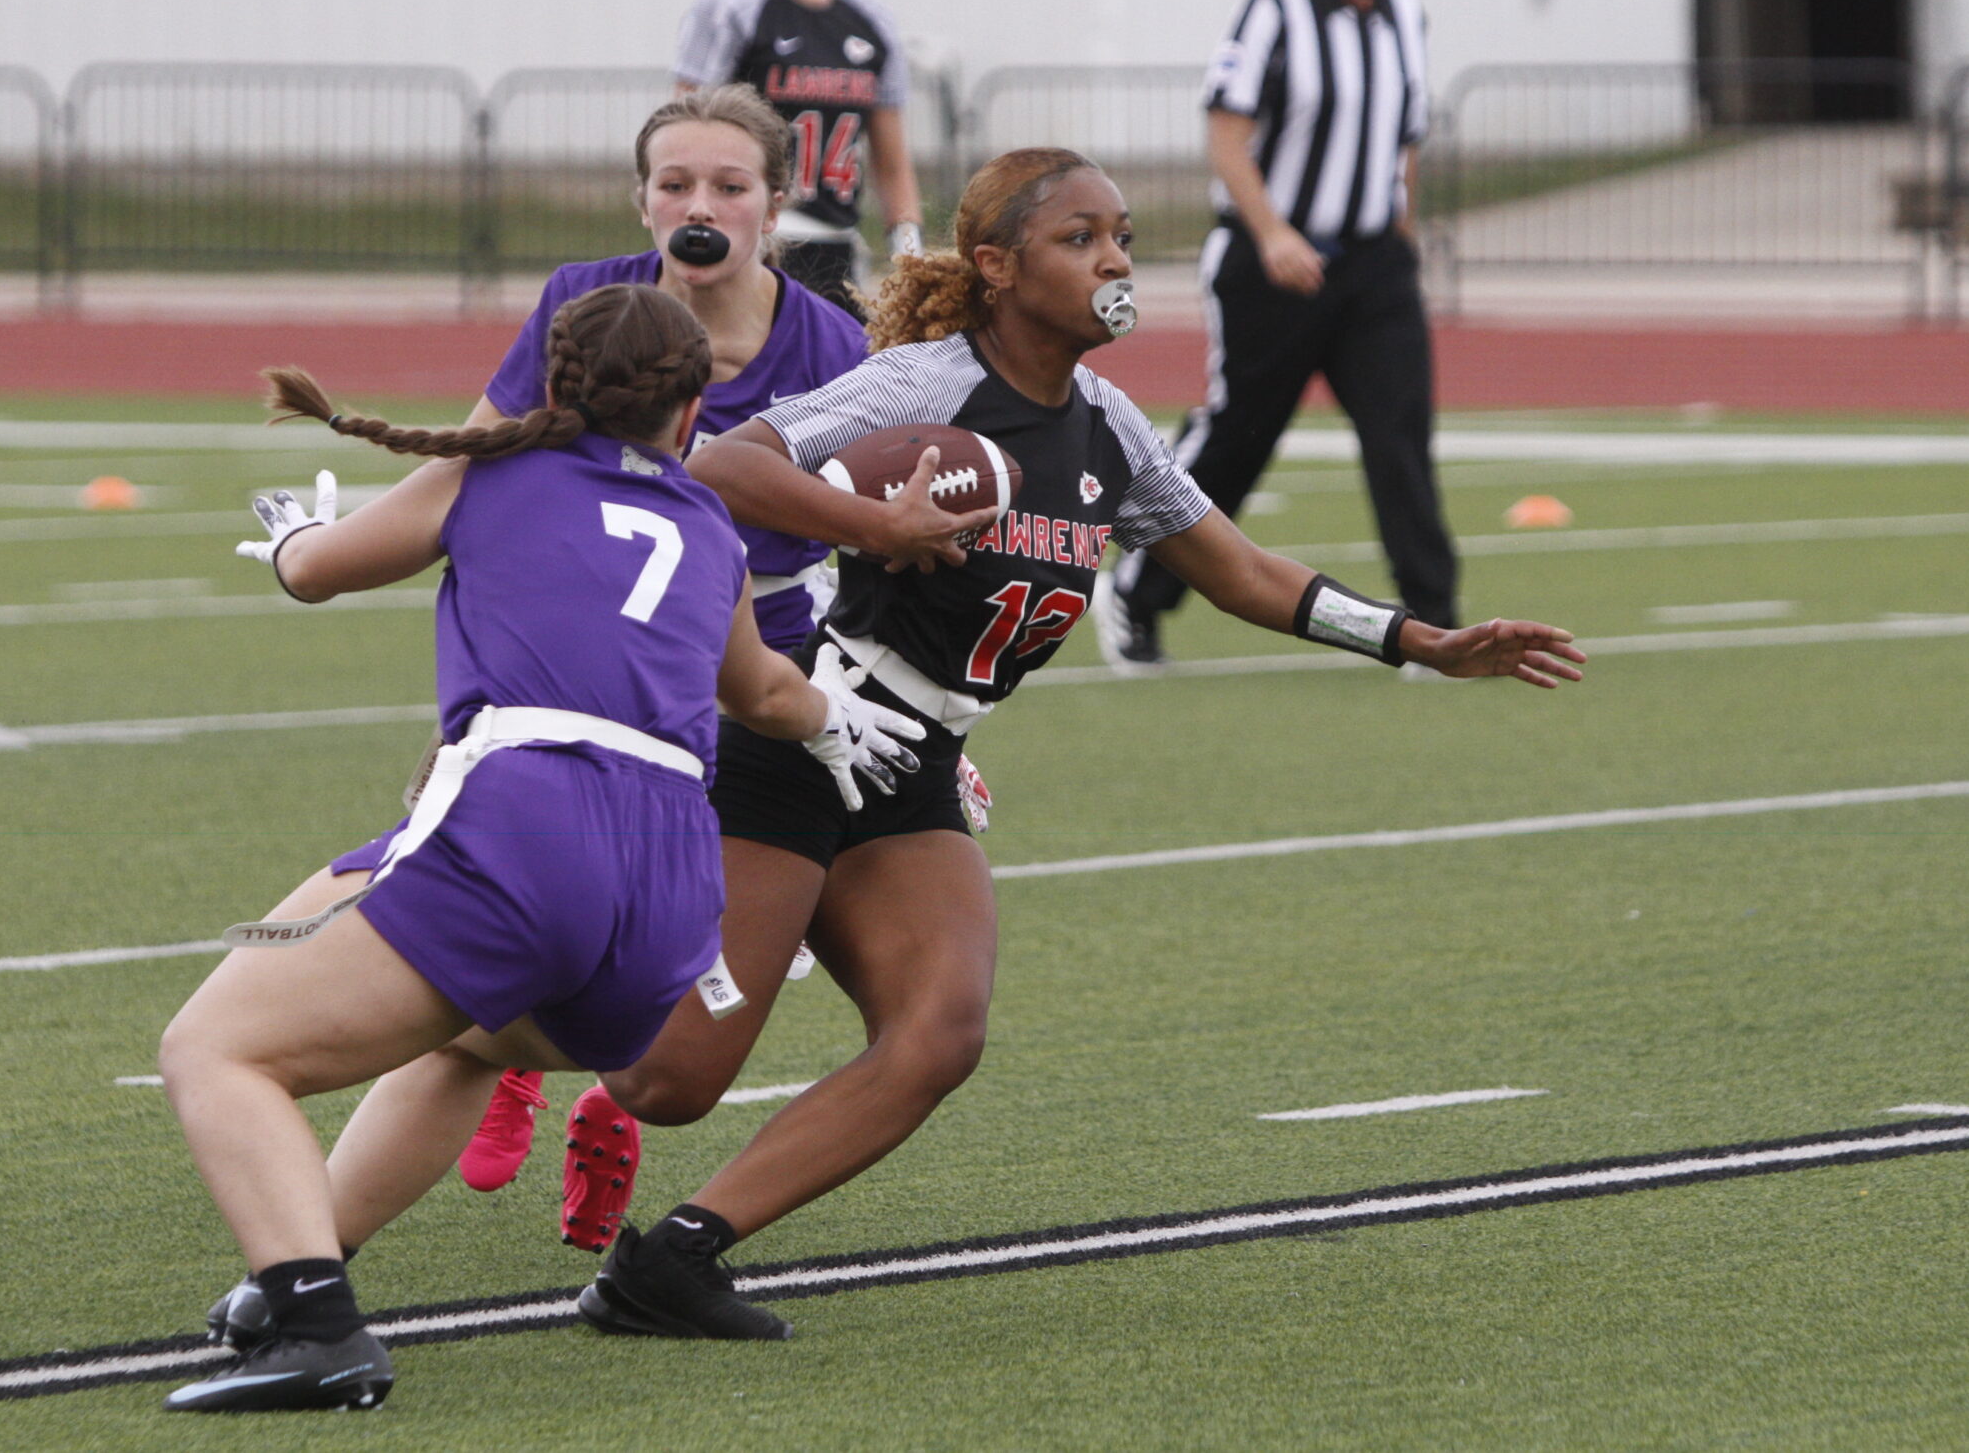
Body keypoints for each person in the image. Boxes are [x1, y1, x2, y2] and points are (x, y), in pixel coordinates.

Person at [555, 147, 1584, 1340]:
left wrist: (1418, 641)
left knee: (939, 1034)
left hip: (918, 767)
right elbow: (726, 463)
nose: (1112, 261)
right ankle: (490, 1015)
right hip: (805, 737)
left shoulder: (1106, 424)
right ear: (995, 267)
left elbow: (1242, 572)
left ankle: (672, 1262)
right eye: (1079, 239)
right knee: (666, 1084)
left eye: (1122, 237)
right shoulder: (920, 384)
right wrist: (870, 520)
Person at [155, 284, 923, 1410]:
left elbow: (317, 573)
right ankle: (292, 1283)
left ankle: (317, 1326)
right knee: (463, 1039)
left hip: (527, 828)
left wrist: (294, 535)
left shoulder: (489, 471)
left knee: (213, 1048)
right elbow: (763, 691)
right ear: (693, 406)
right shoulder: (707, 522)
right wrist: (838, 719)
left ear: (552, 384)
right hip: (668, 893)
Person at [441, 85, 990, 1233]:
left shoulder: (835, 341)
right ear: (641, 200)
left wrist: (917, 724)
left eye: (729, 186)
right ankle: (514, 1058)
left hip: (769, 666)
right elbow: (490, 456)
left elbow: (881, 548)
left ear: (775, 206)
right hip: (597, 654)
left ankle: (612, 1100)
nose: (701, 205)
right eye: (676, 184)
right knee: (549, 868)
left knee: (709, 930)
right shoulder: (581, 302)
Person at [1097, 0, 1461, 675]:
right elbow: (1226, 136)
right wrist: (1273, 234)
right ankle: (1137, 595)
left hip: (1372, 266)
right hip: (1273, 258)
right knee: (1237, 439)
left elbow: (1402, 142)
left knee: (1401, 435)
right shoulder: (1279, 8)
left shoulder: (1408, 16)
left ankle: (1435, 627)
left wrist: (1401, 234)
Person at [673, 0, 925, 315]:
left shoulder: (872, 22)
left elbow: (892, 163)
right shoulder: (729, 9)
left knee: (846, 385)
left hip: (836, 249)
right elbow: (681, 135)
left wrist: (909, 253)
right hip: (751, 244)